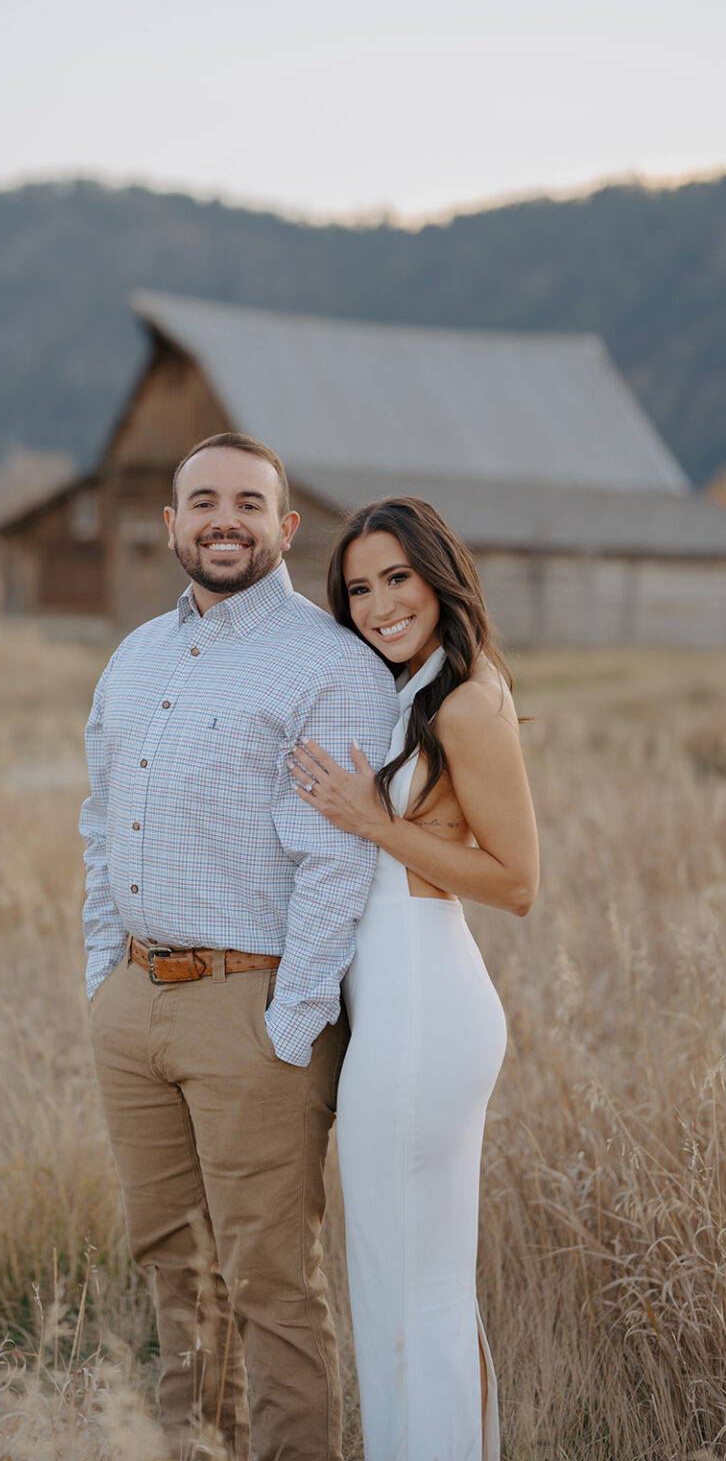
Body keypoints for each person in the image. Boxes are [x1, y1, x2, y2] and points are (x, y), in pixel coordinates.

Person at [80, 432, 397, 1461]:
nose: (224, 518)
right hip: (133, 1000)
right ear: (169, 524)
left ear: (283, 526)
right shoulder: (134, 657)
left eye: (248, 503)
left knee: (269, 1279)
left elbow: (336, 861)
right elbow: (100, 818)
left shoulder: (330, 665)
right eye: (203, 501)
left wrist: (291, 1022)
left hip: (249, 1009)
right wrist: (100, 973)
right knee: (171, 1261)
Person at [289, 495, 539, 1461]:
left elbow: (516, 883)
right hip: (396, 1011)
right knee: (405, 1283)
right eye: (358, 588)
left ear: (439, 575)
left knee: (414, 1289)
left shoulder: (471, 699)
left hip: (427, 1013)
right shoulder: (411, 693)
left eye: (397, 578)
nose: (380, 604)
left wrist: (372, 823)